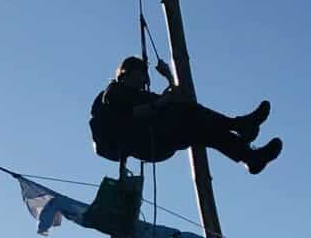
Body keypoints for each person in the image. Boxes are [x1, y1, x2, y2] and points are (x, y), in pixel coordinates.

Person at [90, 57, 281, 173]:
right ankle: (240, 126)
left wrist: (168, 77)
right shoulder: (115, 91)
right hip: (147, 141)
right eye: (142, 74)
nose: (145, 80)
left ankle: (250, 157)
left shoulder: (141, 95)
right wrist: (159, 104)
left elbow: (177, 98)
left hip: (158, 139)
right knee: (191, 114)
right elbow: (129, 115)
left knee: (206, 131)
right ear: (127, 73)